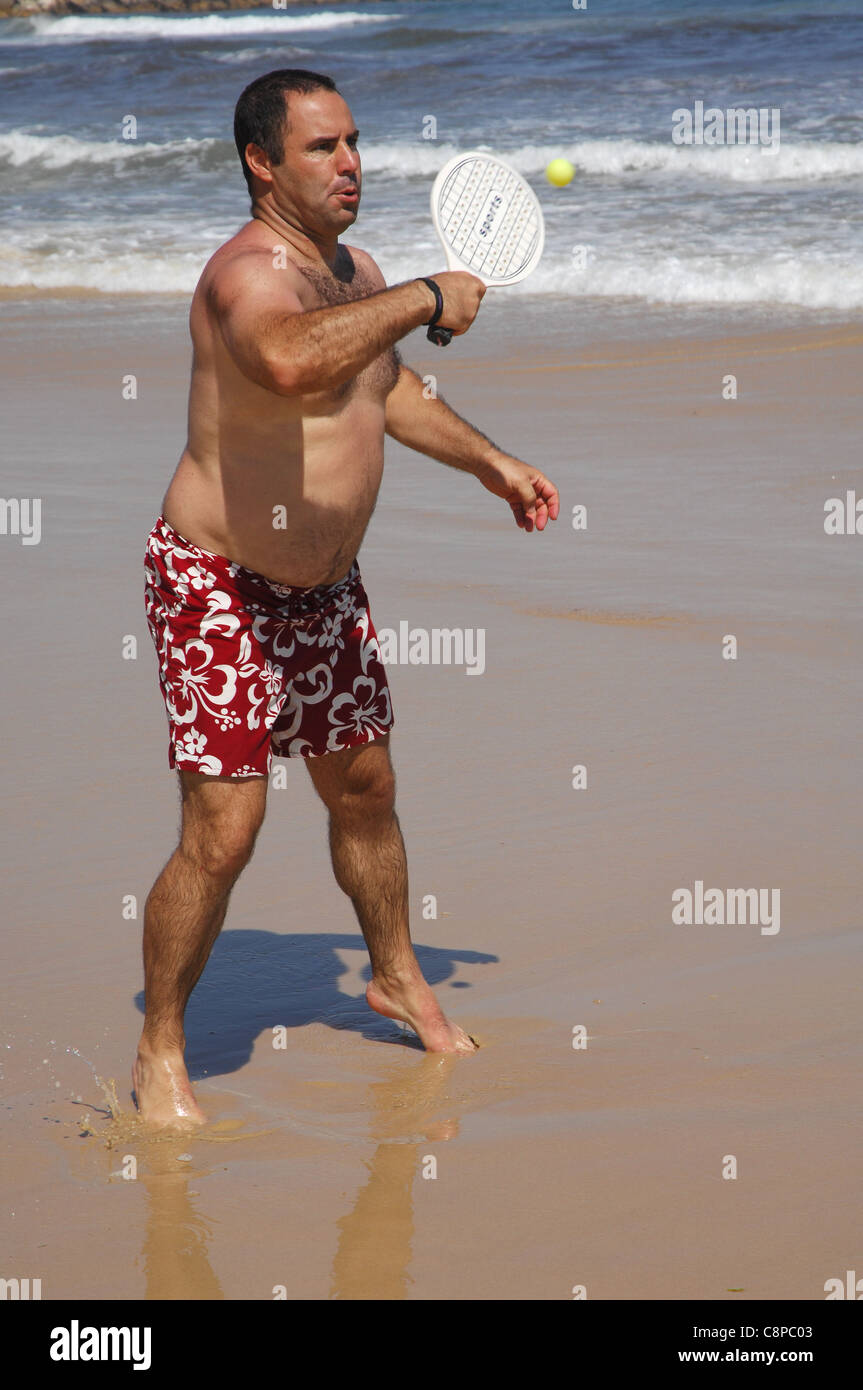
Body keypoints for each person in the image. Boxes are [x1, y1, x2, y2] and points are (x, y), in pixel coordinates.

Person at [135, 68, 560, 1129]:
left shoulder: (352, 270)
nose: (350, 164)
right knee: (224, 831)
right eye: (322, 147)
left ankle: (395, 976)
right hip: (218, 582)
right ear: (261, 162)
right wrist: (423, 297)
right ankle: (159, 1045)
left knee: (364, 788)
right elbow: (285, 360)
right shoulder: (247, 276)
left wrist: (491, 463)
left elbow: (387, 386)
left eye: (356, 142)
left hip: (322, 594)